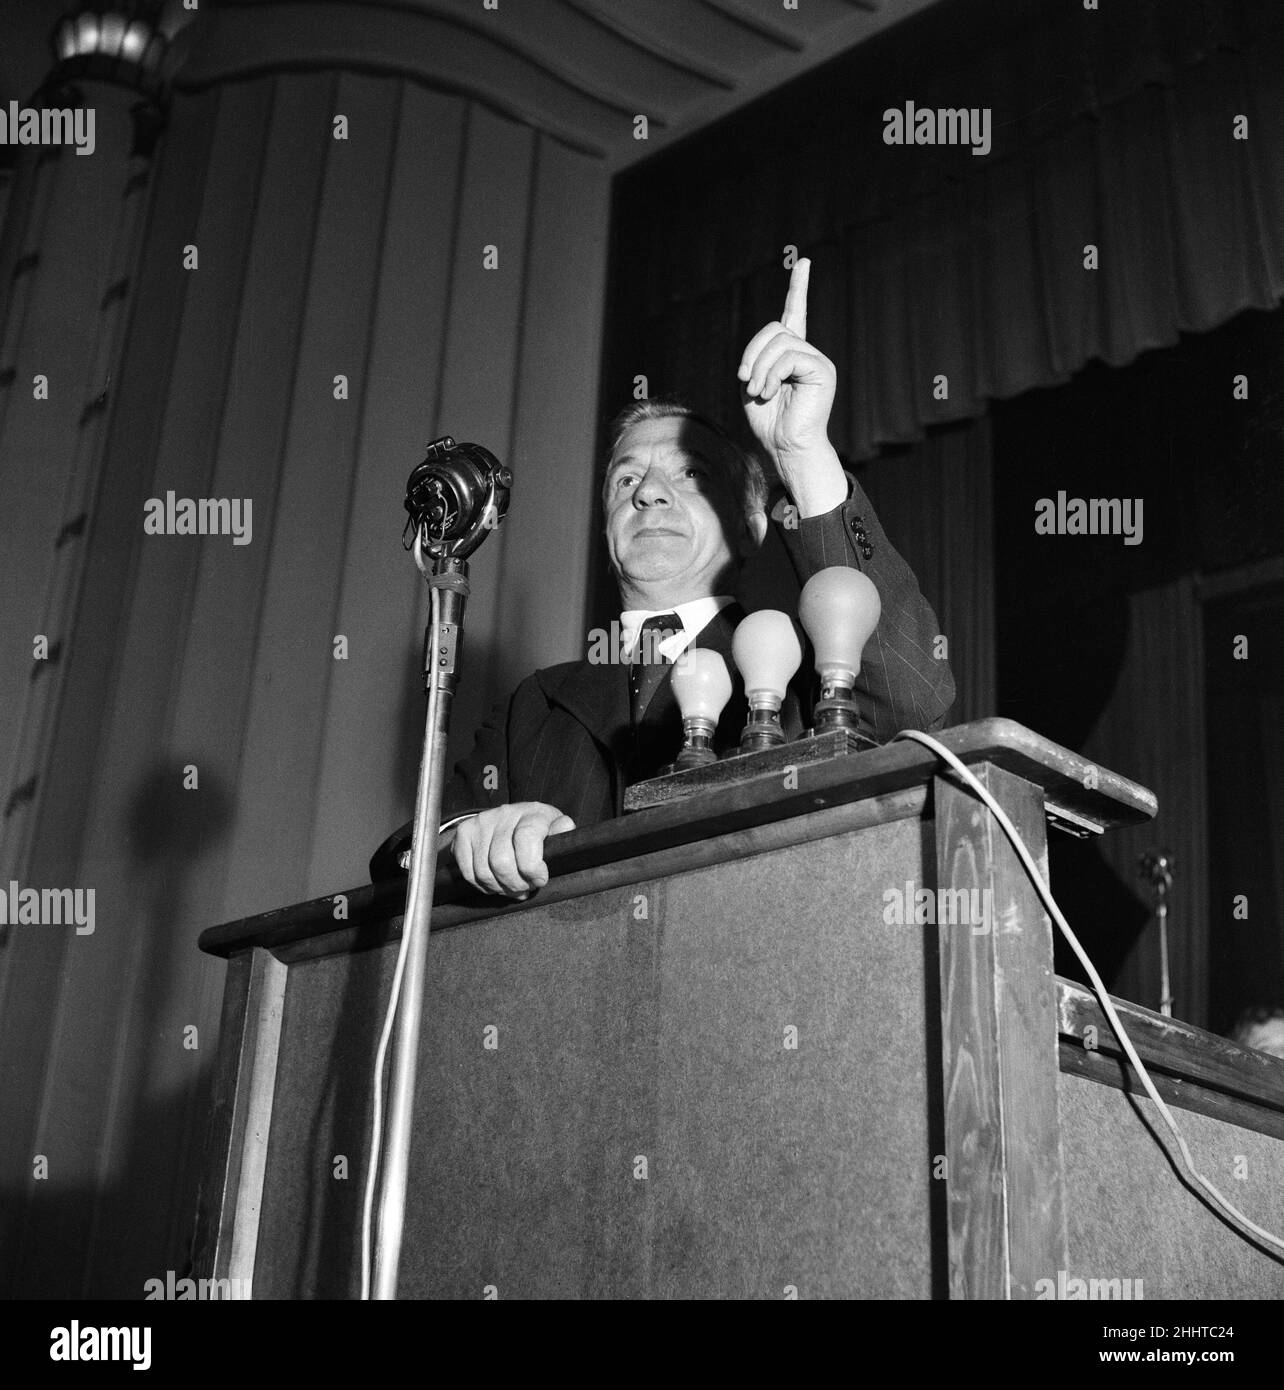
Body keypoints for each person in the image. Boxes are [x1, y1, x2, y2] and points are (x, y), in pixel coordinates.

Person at [370, 260, 954, 894]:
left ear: (752, 525)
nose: (648, 492)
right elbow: (405, 857)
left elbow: (911, 694)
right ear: (607, 527)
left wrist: (800, 452)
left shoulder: (809, 664)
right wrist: (468, 840)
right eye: (627, 478)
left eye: (691, 474)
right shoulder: (533, 707)